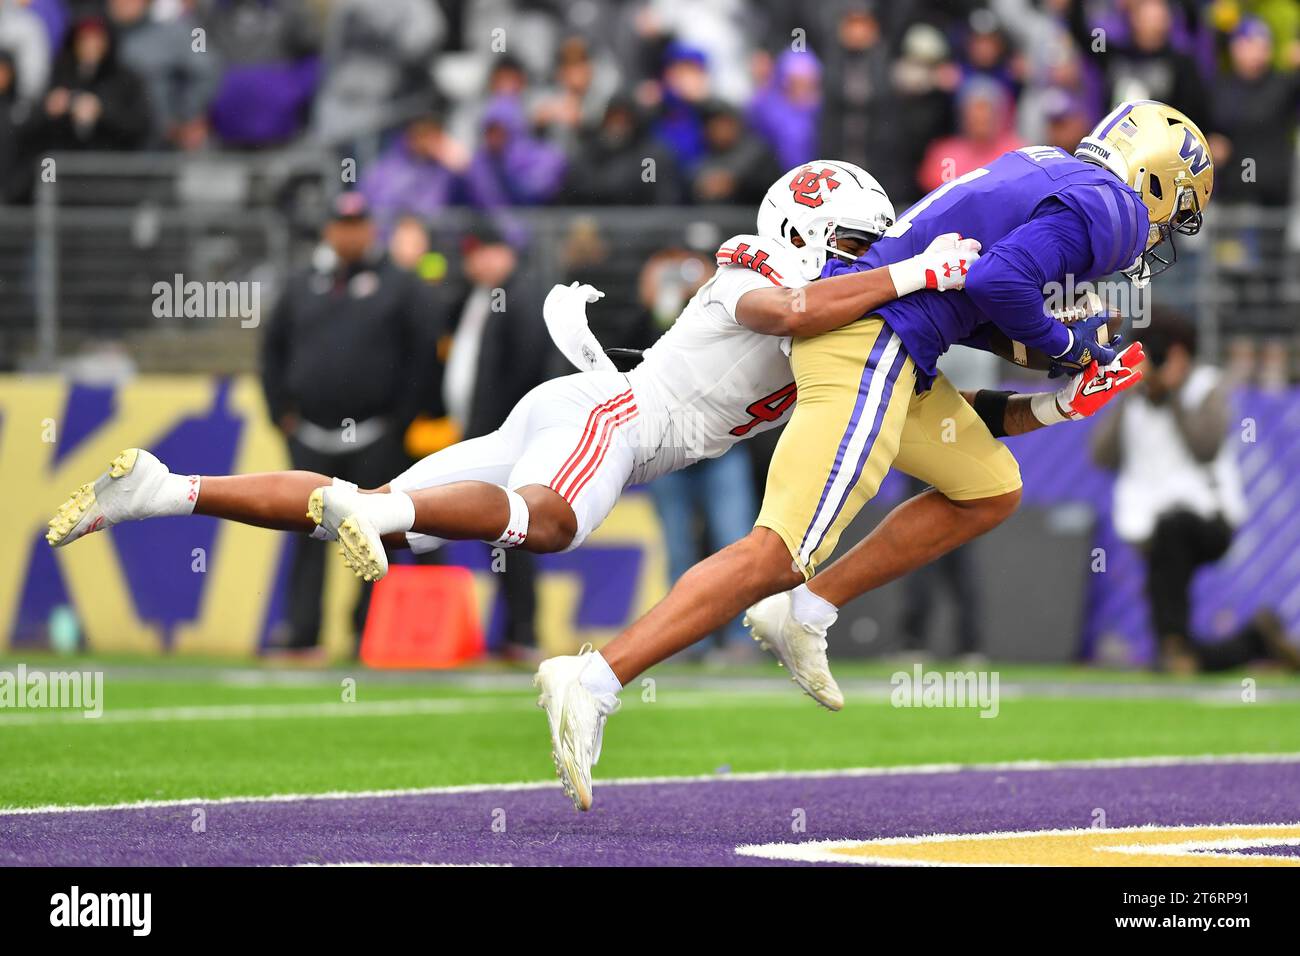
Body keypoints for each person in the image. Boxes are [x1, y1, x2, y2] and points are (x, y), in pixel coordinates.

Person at [535, 100, 1207, 811]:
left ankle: (807, 612)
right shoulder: (1113, 207)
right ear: (1157, 181)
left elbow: (977, 312)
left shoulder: (1051, 170)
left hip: (896, 341)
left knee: (988, 488)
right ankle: (595, 679)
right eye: (1176, 207)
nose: (1162, 229)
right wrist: (1070, 347)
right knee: (776, 553)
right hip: (875, 341)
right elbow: (996, 285)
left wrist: (1065, 393)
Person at [44, 163, 974, 673]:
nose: (868, 260)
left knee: (353, 500)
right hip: (612, 416)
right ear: (805, 232)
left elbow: (888, 386)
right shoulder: (758, 268)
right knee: (554, 524)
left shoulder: (845, 315)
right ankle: (389, 517)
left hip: (595, 404)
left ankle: (169, 491)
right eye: (855, 244)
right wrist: (918, 271)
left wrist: (1047, 384)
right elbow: (785, 315)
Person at [259, 192, 435, 652]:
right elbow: (272, 350)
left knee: (375, 534)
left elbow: (422, 354)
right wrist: (281, 413)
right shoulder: (302, 284)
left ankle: (366, 631)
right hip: (311, 433)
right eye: (341, 224)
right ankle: (302, 631)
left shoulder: (400, 285)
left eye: (358, 223)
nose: (350, 232)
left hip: (377, 432)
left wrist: (400, 419)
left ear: (371, 229)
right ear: (328, 230)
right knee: (305, 531)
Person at [1090, 308, 1298, 674]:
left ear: (1183, 354)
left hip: (1209, 518)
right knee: (1165, 562)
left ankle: (1174, 645)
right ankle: (1228, 646)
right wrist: (1126, 390)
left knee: (1172, 532)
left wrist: (1172, 396)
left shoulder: (1207, 386)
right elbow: (1101, 455)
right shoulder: (1134, 396)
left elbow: (1206, 447)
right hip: (1152, 523)